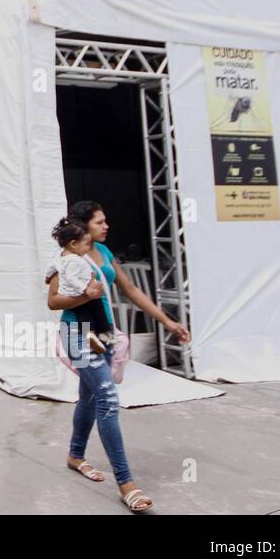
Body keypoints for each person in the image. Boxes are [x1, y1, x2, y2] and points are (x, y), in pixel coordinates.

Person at [45, 200, 192, 513]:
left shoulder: (106, 255)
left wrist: (167, 322)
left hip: (106, 334)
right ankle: (127, 484)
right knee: (108, 399)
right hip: (78, 336)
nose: (106, 226)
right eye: (100, 222)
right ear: (83, 228)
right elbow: (54, 302)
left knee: (88, 398)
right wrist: (88, 295)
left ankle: (75, 456)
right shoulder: (67, 257)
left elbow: (132, 292)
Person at [46, 217, 111, 354]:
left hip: (77, 291)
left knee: (85, 315)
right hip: (78, 292)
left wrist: (47, 277)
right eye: (86, 244)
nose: (88, 248)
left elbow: (51, 268)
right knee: (93, 308)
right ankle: (101, 332)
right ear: (74, 244)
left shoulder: (60, 257)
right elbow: (72, 279)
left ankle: (94, 334)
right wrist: (87, 290)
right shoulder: (73, 260)